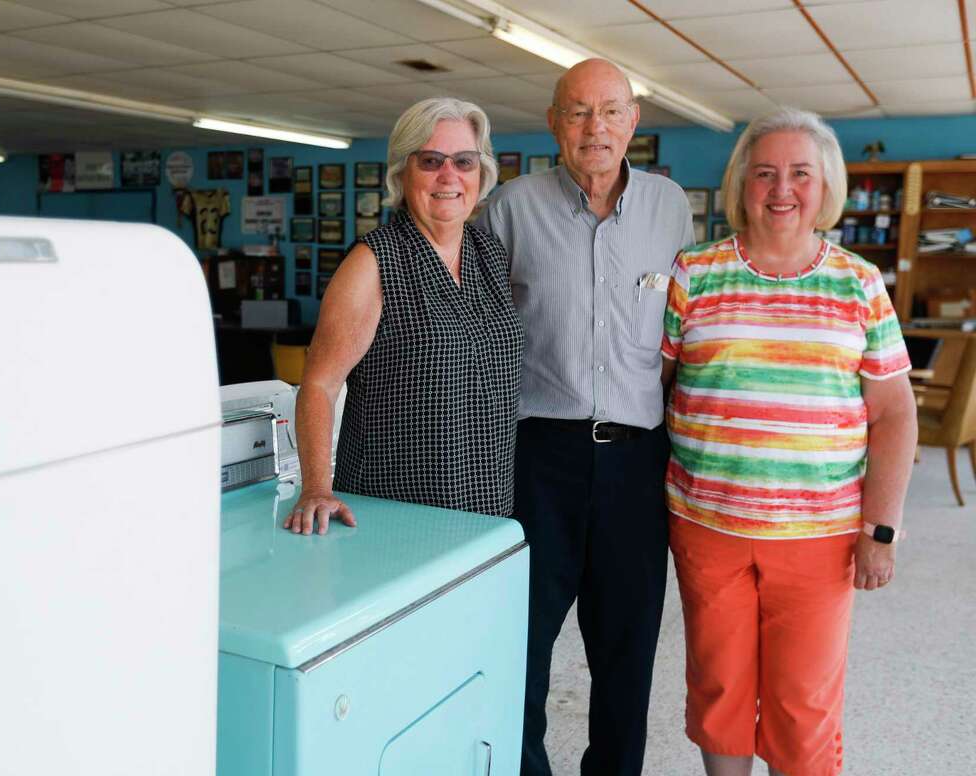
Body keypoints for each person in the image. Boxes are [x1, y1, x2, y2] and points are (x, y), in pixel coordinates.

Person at [660, 107, 917, 776]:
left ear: (825, 185)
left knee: (802, 702)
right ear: (741, 182)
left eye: (800, 174)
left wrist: (880, 529)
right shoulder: (694, 273)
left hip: (819, 537)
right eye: (766, 172)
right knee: (718, 687)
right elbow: (658, 390)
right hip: (707, 524)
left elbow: (893, 414)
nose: (782, 189)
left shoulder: (860, 284)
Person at [476, 59, 693, 776]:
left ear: (633, 121)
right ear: (553, 123)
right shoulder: (509, 208)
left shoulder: (671, 208)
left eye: (609, 111)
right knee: (522, 645)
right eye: (576, 112)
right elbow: (480, 332)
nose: (593, 127)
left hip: (637, 462)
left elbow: (680, 328)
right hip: (539, 456)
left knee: (627, 650)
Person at [283, 96, 523, 534]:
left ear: (481, 173)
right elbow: (319, 383)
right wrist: (316, 486)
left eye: (464, 162)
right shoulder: (373, 261)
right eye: (431, 160)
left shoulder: (488, 253)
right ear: (402, 171)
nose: (449, 176)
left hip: (487, 504)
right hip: (397, 508)